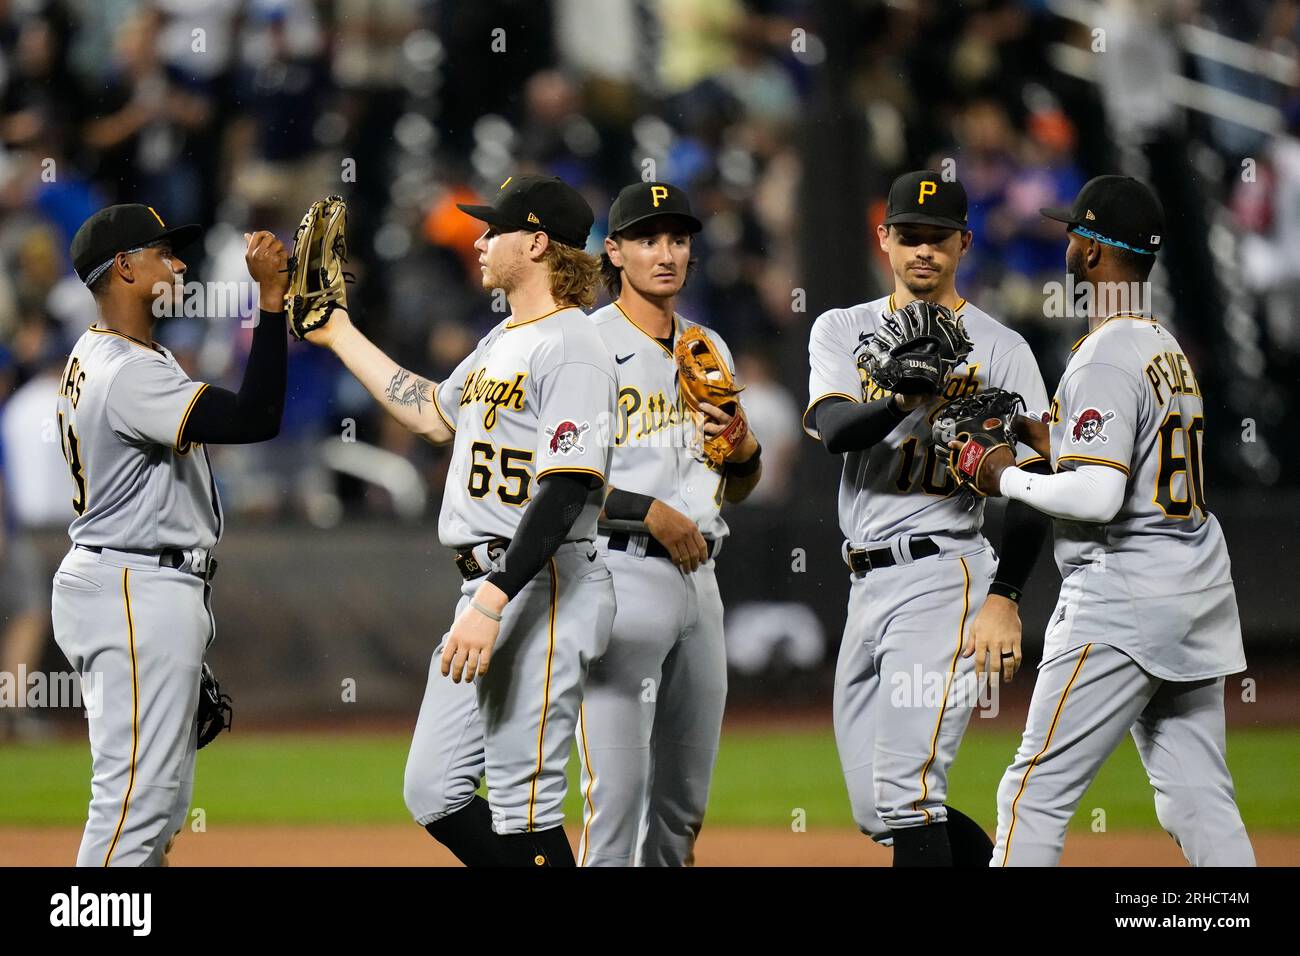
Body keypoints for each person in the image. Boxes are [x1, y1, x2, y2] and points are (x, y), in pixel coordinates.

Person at [302, 175, 617, 866]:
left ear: (536, 243)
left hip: (541, 580)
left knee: (521, 797)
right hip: (493, 583)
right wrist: (340, 333)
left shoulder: (574, 347)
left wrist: (494, 600)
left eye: (493, 229)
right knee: (434, 790)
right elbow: (426, 410)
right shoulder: (504, 336)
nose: (478, 240)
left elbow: (565, 491)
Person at [951, 176, 1255, 866]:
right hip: (1194, 588)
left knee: (1033, 792)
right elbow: (1120, 454)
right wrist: (1029, 428)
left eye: (1074, 232)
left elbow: (1098, 497)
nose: (1066, 239)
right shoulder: (1163, 349)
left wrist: (1004, 474)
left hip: (1124, 596)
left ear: (1092, 254)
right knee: (1196, 795)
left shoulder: (1105, 353)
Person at [804, 171, 1052, 866]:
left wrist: (1006, 598)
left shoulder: (1002, 348)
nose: (922, 251)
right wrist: (901, 399)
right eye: (908, 236)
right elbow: (833, 430)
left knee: (908, 795)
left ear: (963, 243)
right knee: (877, 808)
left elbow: (1040, 480)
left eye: (937, 239)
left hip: (945, 572)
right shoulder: (843, 328)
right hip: (865, 583)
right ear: (883, 238)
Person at [53, 203, 289, 866]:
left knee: (153, 811)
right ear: (124, 267)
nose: (180, 265)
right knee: (134, 806)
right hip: (133, 583)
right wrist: (270, 303)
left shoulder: (109, 352)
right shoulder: (126, 372)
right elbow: (256, 416)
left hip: (136, 581)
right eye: (164, 253)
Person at [576, 181, 762, 866]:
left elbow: (739, 484)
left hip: (701, 580)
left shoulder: (707, 346)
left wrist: (744, 448)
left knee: (682, 811)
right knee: (617, 801)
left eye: (679, 239)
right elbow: (554, 483)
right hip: (617, 573)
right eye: (648, 239)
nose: (666, 253)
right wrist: (645, 510)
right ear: (615, 252)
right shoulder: (585, 344)